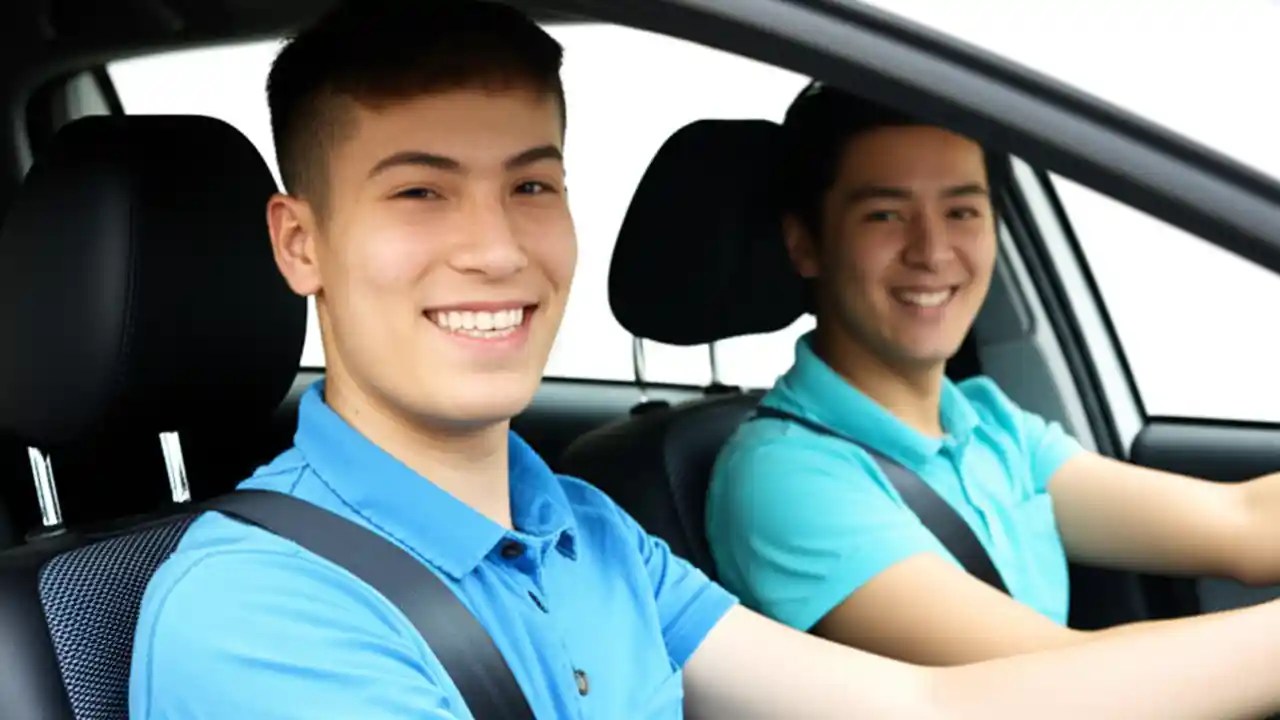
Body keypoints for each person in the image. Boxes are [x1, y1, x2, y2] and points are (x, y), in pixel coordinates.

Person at [129, 2, 1280, 718]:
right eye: (420, 192)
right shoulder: (253, 610)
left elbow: (923, 706)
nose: (496, 249)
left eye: (531, 184)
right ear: (301, 243)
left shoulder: (583, 530)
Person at [706, 82, 1280, 666]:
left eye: (961, 212)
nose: (931, 252)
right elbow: (1059, 688)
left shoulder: (988, 424)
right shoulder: (785, 477)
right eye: (885, 215)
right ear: (806, 244)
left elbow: (1242, 523)